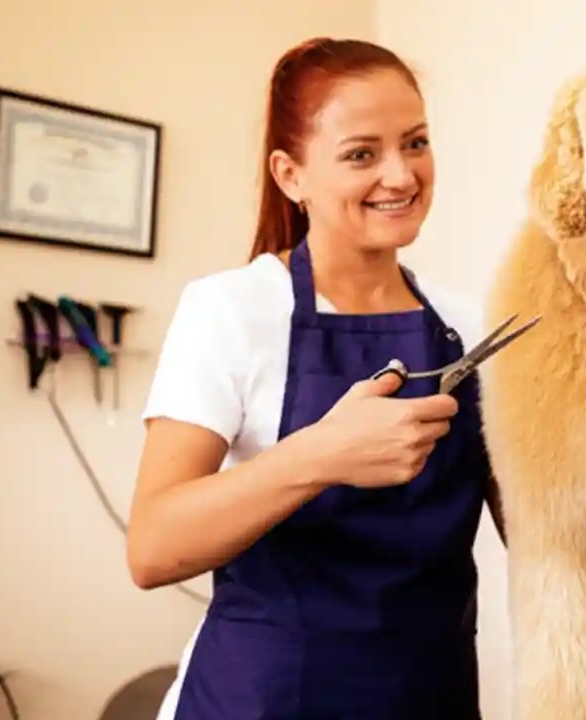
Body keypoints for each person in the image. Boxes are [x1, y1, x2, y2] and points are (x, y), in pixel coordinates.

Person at [127, 37, 497, 720]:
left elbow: (550, 537)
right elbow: (153, 549)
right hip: (261, 699)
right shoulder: (231, 310)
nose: (402, 174)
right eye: (362, 153)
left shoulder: (471, 325)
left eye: (415, 143)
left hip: (430, 698)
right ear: (290, 174)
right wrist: (322, 455)